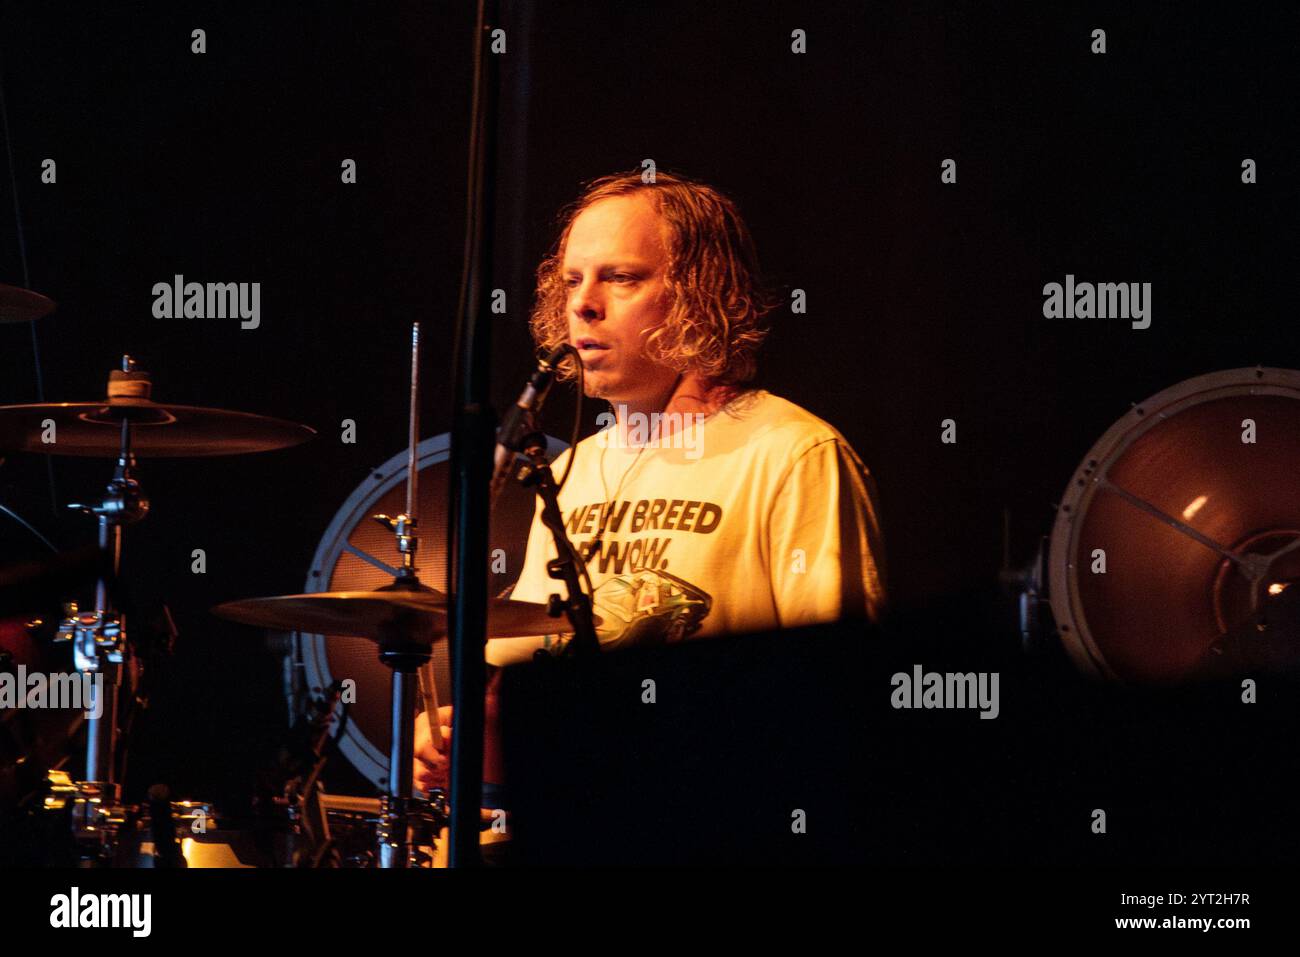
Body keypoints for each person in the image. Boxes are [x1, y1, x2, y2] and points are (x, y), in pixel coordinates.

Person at [414, 170, 887, 790]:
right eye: (572, 281)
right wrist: (479, 742)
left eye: (621, 277)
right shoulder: (566, 472)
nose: (583, 303)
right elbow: (531, 675)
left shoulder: (792, 454)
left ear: (701, 294)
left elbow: (839, 700)